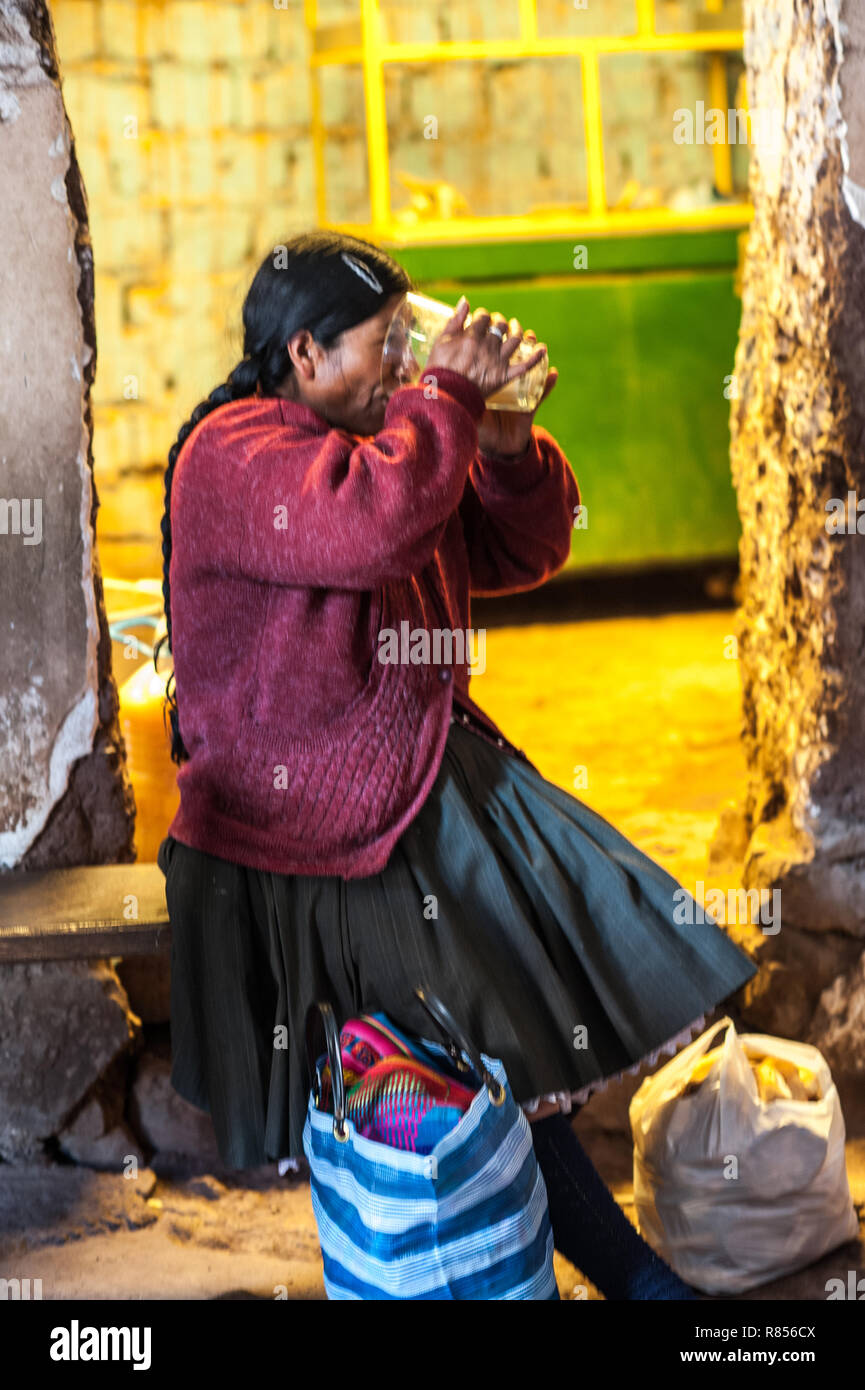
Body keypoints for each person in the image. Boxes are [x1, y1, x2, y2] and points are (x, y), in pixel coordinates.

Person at [156, 229, 756, 1300]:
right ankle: (625, 1278)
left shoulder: (386, 430)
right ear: (304, 355)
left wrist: (510, 440)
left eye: (406, 344)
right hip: (304, 830)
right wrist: (444, 399)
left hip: (415, 782)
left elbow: (521, 545)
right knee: (465, 1055)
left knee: (484, 1061)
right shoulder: (233, 455)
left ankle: (616, 1275)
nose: (400, 368)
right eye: (384, 346)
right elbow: (368, 529)